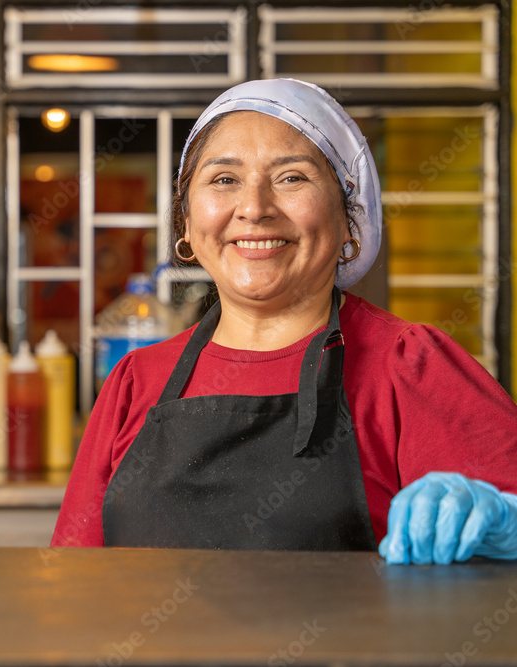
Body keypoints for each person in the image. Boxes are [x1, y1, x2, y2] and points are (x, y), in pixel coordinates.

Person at [52, 78, 517, 564]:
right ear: (187, 224)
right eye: (224, 179)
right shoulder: (135, 382)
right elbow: (74, 586)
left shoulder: (409, 365)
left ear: (347, 220)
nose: (254, 208)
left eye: (292, 177)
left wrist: (506, 524)